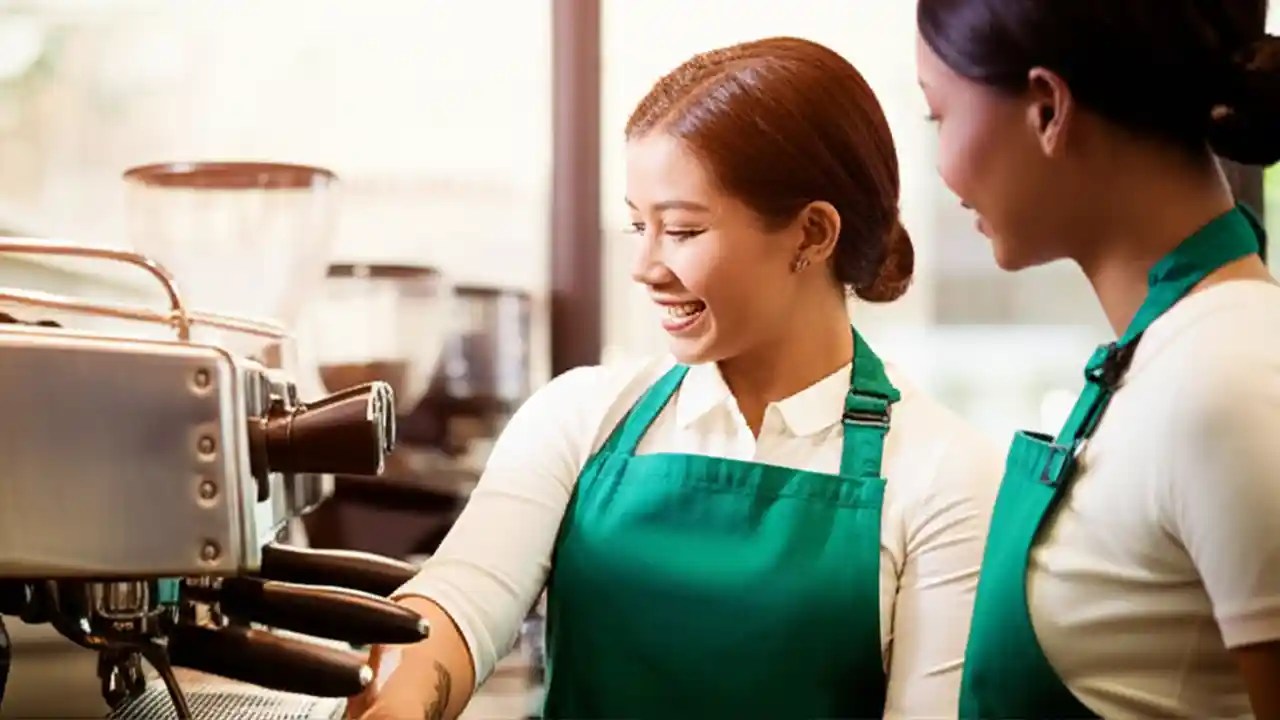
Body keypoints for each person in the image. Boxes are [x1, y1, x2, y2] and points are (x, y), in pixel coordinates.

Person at [349, 36, 1001, 720]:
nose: (645, 266)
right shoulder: (579, 416)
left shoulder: (943, 474)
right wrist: (400, 695)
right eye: (638, 225)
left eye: (683, 231)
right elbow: (455, 605)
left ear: (810, 234)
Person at [915, 1, 1280, 717]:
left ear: (1048, 108)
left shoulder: (1227, 373)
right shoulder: (1166, 354)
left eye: (938, 116)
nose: (941, 166)